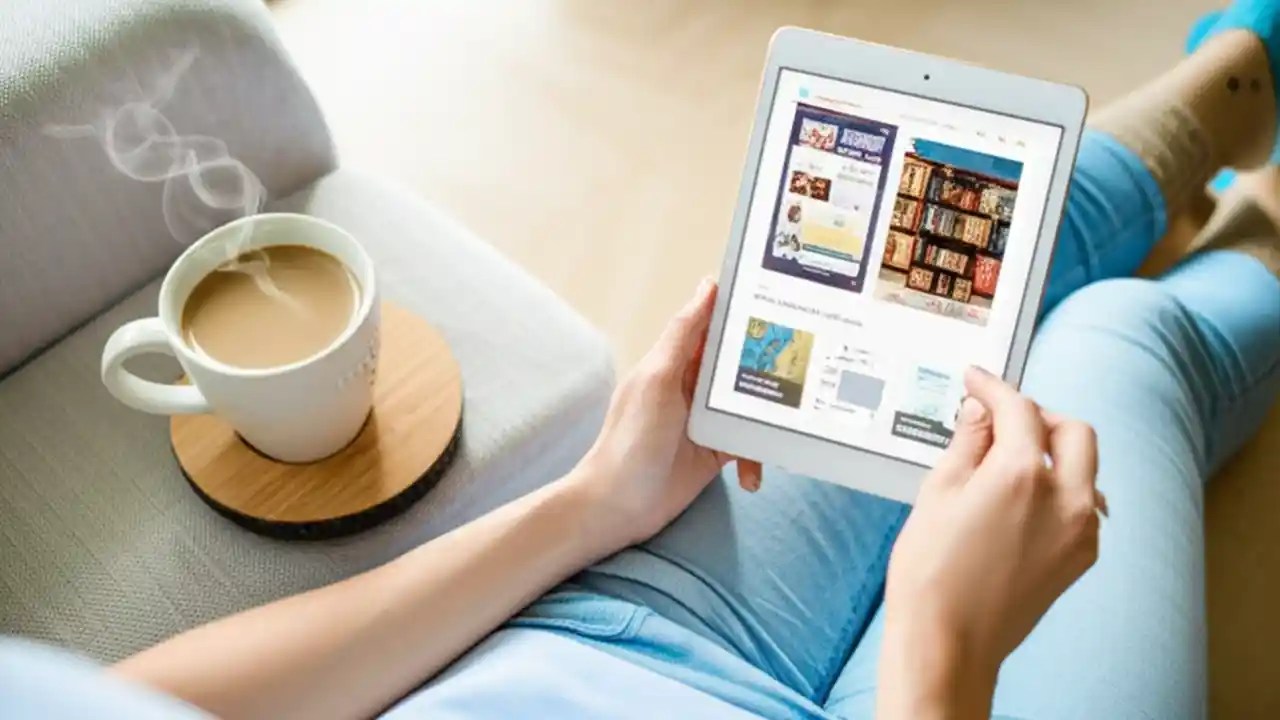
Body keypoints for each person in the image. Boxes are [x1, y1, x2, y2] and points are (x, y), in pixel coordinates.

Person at [5, 4, 1280, 719]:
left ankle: (1221, 92)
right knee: (1110, 350)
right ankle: (1251, 225)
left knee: (939, 292)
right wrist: (943, 646)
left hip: (610, 644)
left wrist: (586, 508)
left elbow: (165, 703)